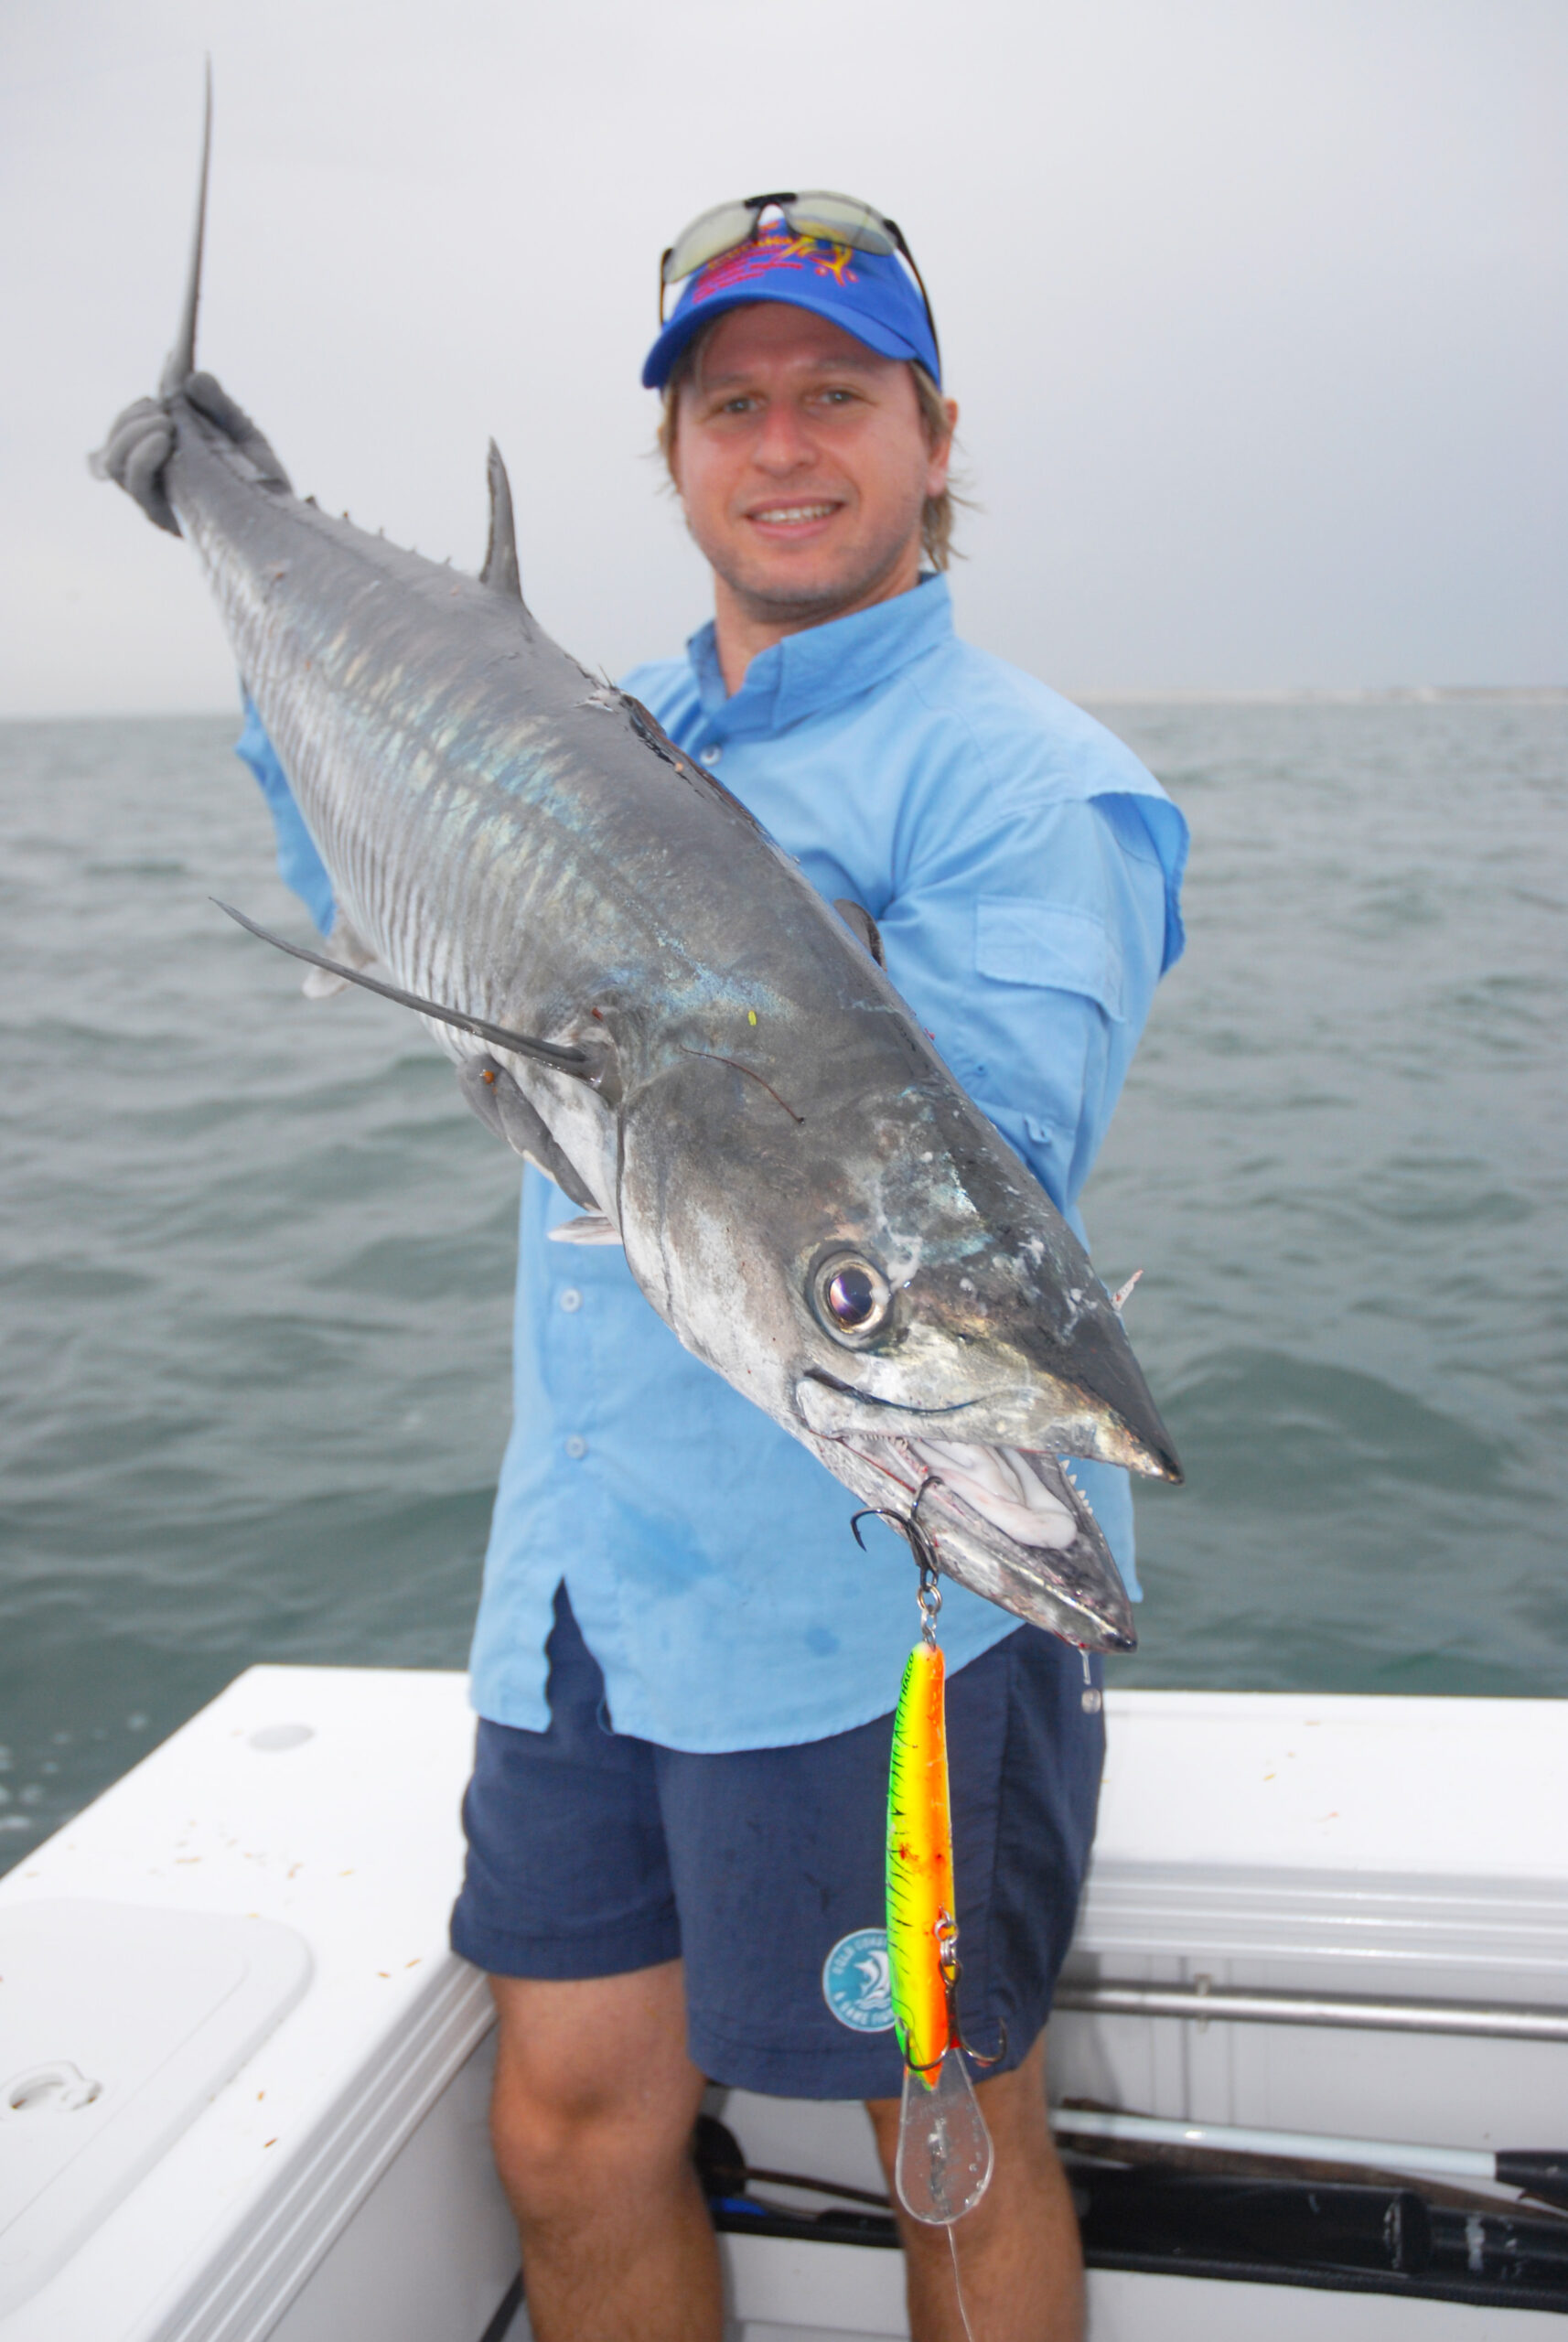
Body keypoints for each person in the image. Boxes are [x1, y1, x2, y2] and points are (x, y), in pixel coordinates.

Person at [99, 192, 1187, 2342]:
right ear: (677, 456)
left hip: (863, 1625)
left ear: (932, 434)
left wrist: (824, 1230)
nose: (783, 446)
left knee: (941, 2136)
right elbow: (364, 890)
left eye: (836, 399)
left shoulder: (1024, 784)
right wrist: (219, 524)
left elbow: (971, 1173)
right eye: (732, 406)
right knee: (570, 2114)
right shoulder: (570, 722)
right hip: (580, 1588)